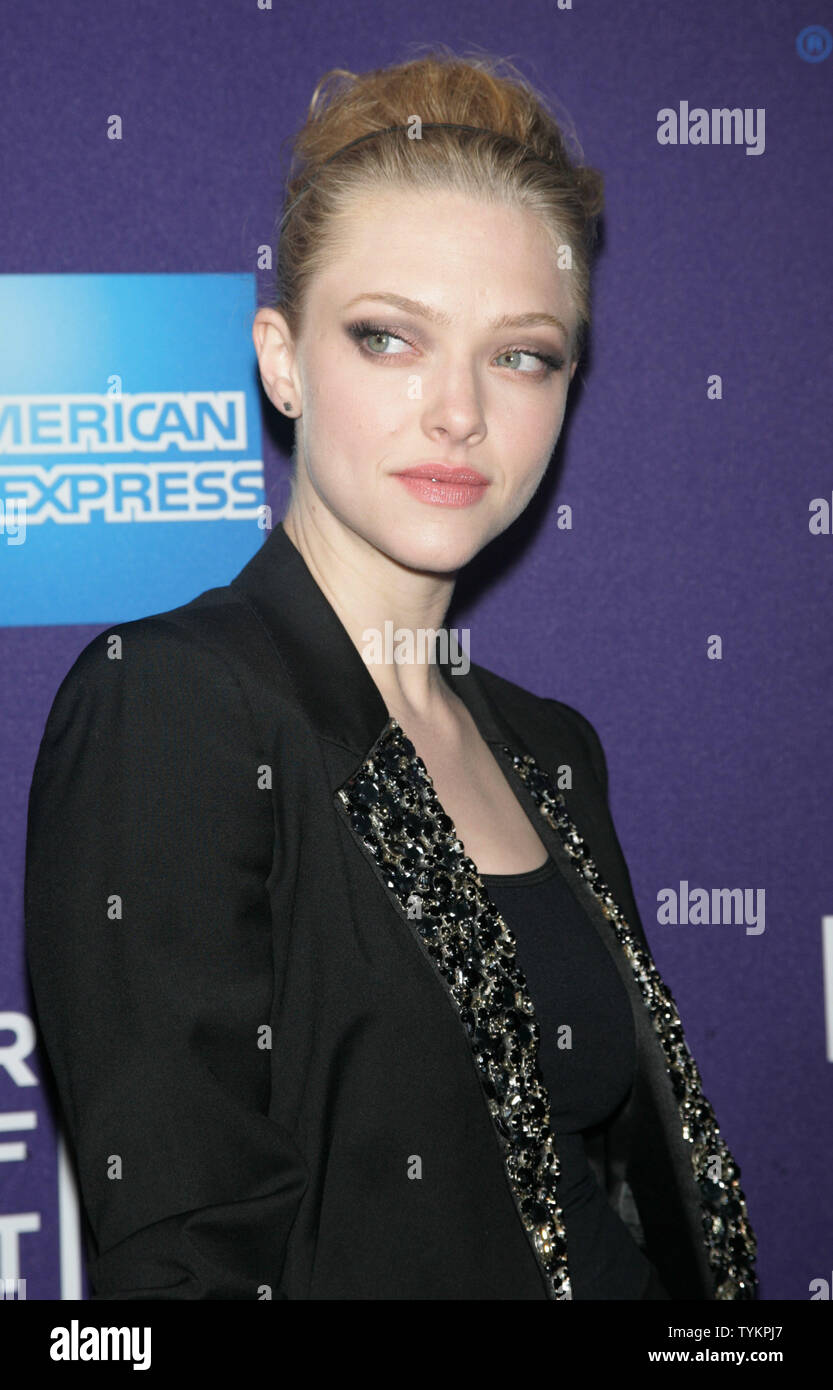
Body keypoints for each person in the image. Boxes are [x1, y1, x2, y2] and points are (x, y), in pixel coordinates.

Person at [24, 46, 757, 1301]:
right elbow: (186, 1265)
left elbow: (611, 1192)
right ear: (283, 360)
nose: (458, 410)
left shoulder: (548, 748)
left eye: (521, 354)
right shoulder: (171, 702)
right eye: (388, 338)